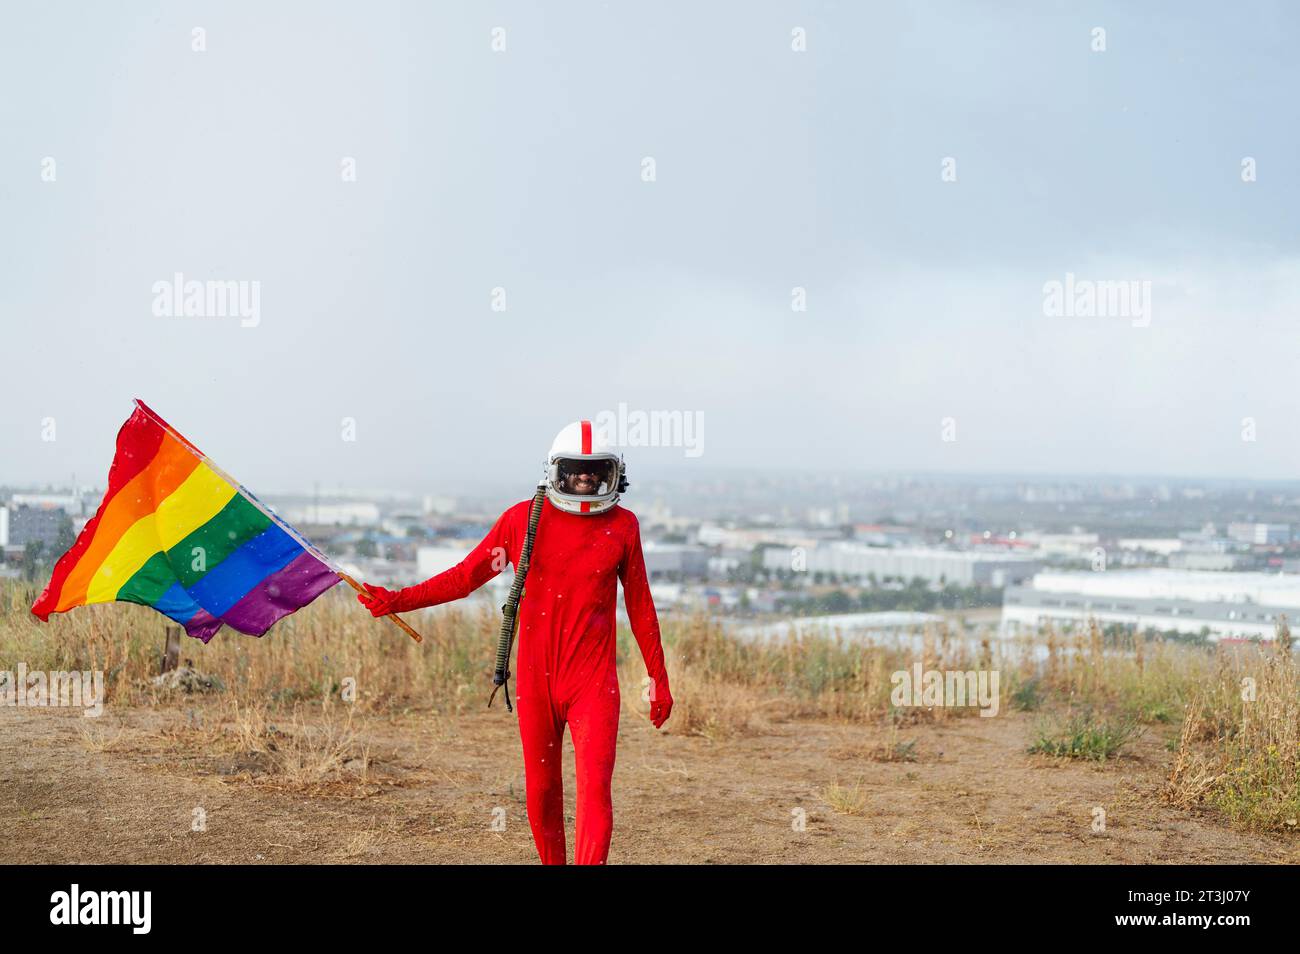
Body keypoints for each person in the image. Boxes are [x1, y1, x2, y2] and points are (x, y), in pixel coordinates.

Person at [356, 420, 672, 865]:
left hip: (593, 684)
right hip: (535, 679)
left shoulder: (623, 526)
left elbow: (641, 606)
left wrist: (658, 676)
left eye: (595, 469)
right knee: (541, 791)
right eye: (576, 469)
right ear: (555, 471)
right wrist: (399, 600)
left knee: (595, 788)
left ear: (613, 474)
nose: (585, 477)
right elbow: (467, 577)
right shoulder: (521, 519)